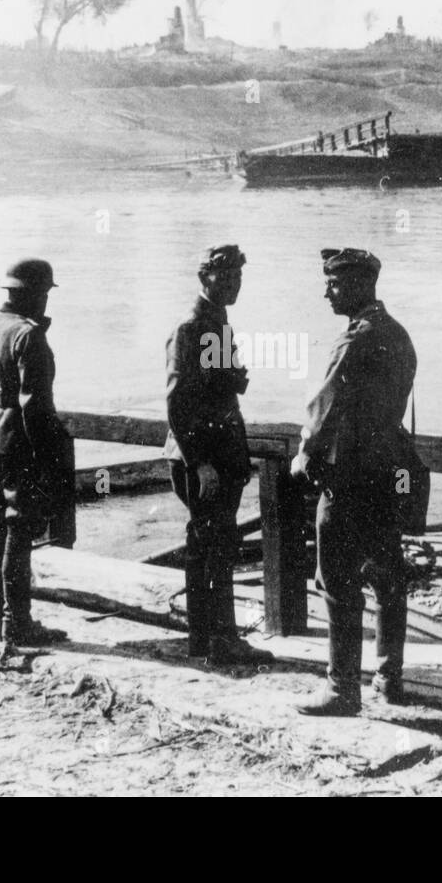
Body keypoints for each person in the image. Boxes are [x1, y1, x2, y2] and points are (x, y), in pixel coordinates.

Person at [292, 248, 418, 715]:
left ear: (362, 286)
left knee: (337, 580)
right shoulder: (398, 335)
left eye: (336, 284)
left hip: (348, 479)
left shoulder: (353, 342)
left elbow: (323, 410)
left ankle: (342, 688)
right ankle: (389, 678)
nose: (327, 291)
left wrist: (305, 454)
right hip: (387, 474)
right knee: (387, 576)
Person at [164, 245, 274, 666]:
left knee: (215, 545)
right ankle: (215, 641)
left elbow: (213, 391)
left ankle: (209, 640)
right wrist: (200, 462)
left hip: (219, 456)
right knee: (211, 545)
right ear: (204, 278)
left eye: (238, 279)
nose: (234, 286)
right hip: (202, 460)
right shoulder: (192, 328)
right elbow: (178, 403)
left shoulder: (216, 323)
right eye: (225, 278)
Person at [0, 258, 70, 650]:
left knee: (3, 523)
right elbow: (36, 407)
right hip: (21, 441)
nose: (46, 302)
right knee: (20, 529)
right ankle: (19, 623)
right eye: (44, 294)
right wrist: (50, 460)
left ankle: (3, 616)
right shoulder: (28, 336)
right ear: (32, 294)